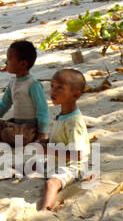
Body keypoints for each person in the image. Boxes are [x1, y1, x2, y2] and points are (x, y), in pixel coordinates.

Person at [39, 68, 92, 211]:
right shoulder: (63, 114)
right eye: (52, 86)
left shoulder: (74, 122)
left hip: (73, 166)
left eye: (60, 88)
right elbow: (61, 139)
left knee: (51, 183)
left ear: (75, 95)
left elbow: (78, 154)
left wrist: (49, 150)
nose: (53, 91)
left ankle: (45, 210)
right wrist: (46, 143)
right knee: (29, 166)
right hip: (57, 161)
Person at [0, 39, 49, 148]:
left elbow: (42, 110)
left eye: (9, 59)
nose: (6, 62)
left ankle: (18, 138)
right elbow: (5, 104)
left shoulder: (33, 84)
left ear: (23, 63)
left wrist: (41, 134)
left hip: (29, 127)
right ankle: (7, 135)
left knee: (8, 134)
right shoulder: (13, 82)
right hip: (15, 124)